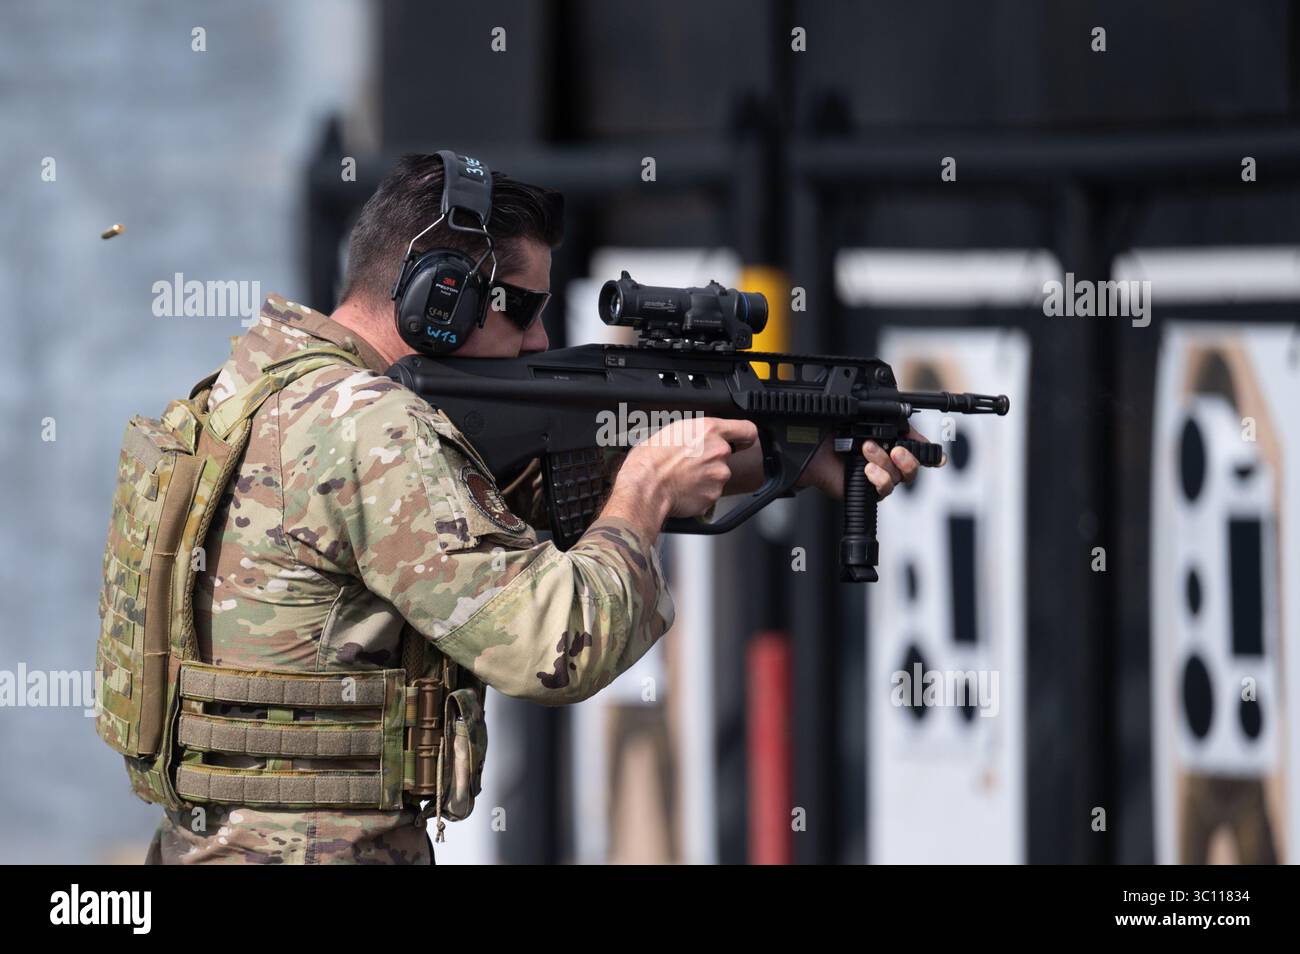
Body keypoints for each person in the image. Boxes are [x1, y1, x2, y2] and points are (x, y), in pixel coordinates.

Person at [145, 152, 927, 864]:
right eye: (521, 308)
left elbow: (497, 505)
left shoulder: (259, 388)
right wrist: (646, 493)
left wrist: (792, 455)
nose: (538, 339)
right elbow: (553, 645)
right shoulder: (373, 427)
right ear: (439, 294)